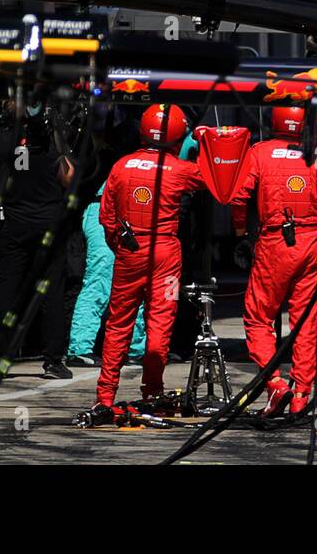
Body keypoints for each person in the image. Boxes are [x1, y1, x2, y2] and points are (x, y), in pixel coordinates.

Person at [228, 106, 317, 417]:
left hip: (275, 242)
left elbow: (238, 197)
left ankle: (275, 383)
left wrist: (239, 234)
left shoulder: (259, 152)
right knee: (305, 320)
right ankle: (302, 394)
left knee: (257, 317)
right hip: (312, 242)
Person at [92, 105, 206, 410]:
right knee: (160, 323)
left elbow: (107, 216)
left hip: (130, 251)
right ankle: (152, 392)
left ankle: (104, 397)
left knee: (118, 324)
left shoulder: (121, 165)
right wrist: (207, 145)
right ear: (178, 136)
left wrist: (121, 246)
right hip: (166, 253)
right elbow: (219, 185)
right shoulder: (181, 170)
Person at [0, 103, 75, 380]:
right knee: (52, 293)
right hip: (47, 221)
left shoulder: (1, 138)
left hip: (13, 221)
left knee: (7, 291)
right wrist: (59, 140)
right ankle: (53, 360)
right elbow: (69, 177)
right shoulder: (52, 139)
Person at [66, 182, 147, 367]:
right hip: (108, 207)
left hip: (121, 207)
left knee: (130, 282)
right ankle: (80, 349)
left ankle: (133, 349)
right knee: (100, 281)